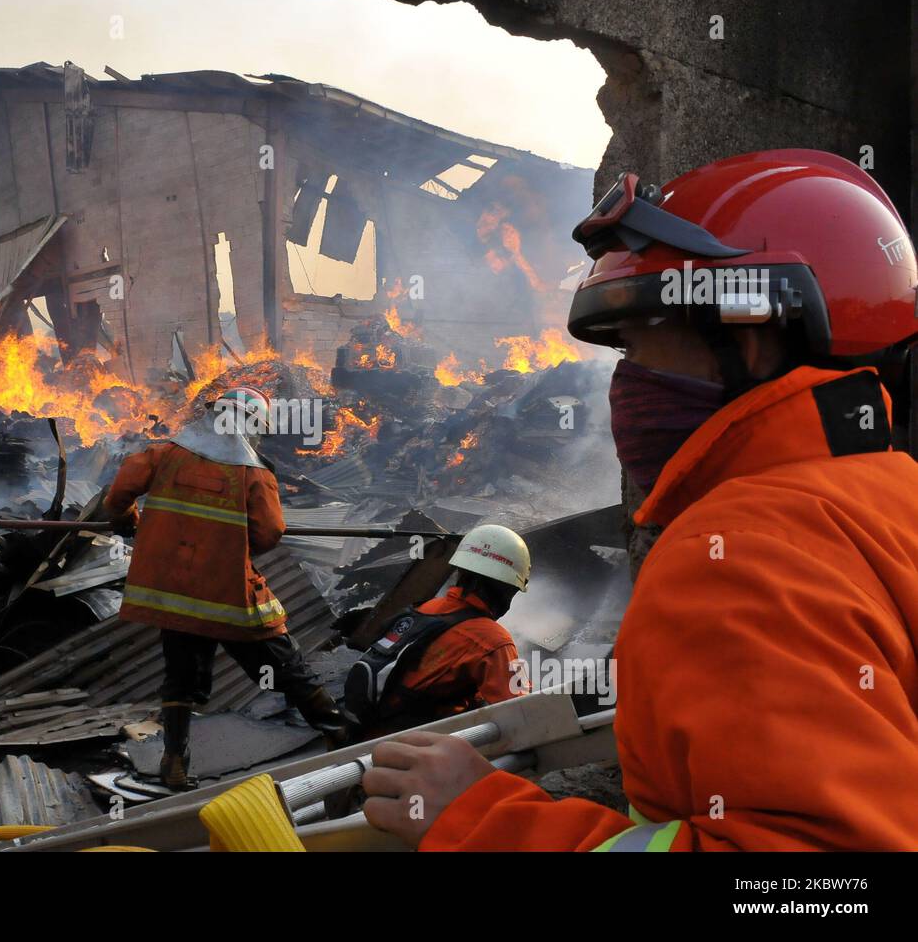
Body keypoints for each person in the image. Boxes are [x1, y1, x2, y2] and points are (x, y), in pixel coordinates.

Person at [362, 149, 918, 850]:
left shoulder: (734, 557)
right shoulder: (892, 491)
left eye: (641, 345)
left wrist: (484, 818)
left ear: (749, 330)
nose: (625, 385)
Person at [105, 384, 348, 789]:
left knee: (180, 676)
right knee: (283, 665)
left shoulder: (163, 454)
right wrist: (227, 545)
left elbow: (119, 494)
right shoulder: (254, 474)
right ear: (253, 426)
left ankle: (174, 763)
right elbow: (269, 535)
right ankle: (339, 731)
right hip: (229, 597)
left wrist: (128, 520)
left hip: (174, 596)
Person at [344, 523, 529, 740]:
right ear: (507, 588)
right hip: (417, 745)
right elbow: (522, 709)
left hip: (370, 732)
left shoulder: (424, 609)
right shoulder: (494, 640)